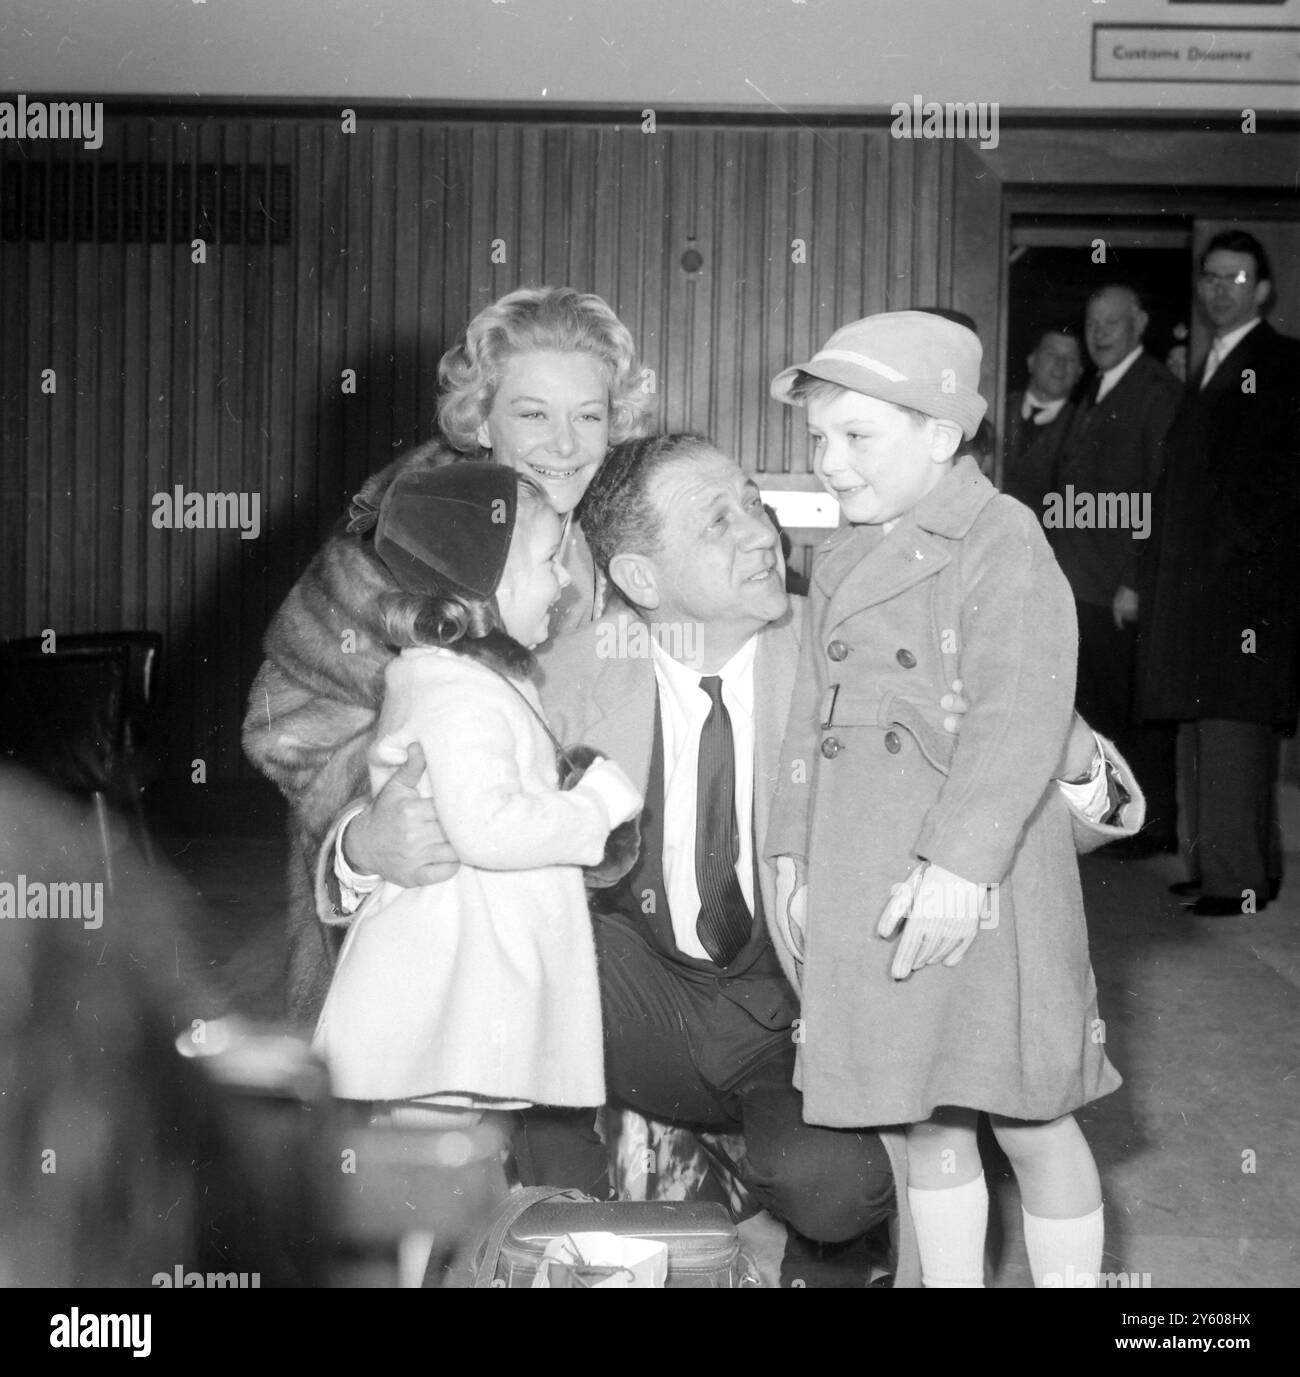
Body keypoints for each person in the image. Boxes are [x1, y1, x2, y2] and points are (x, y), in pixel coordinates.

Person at [335, 428, 1144, 1286]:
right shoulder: (554, 672)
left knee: (840, 1187)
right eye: (716, 521)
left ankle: (806, 1246)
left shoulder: (856, 643)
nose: (762, 534)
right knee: (512, 969)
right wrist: (363, 844)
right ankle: (557, 1208)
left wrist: (1068, 747)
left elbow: (1038, 810)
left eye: (754, 503)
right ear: (641, 578)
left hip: (786, 1014)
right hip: (624, 993)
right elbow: (432, 777)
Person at [766, 310, 1122, 1289]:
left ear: (941, 433)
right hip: (870, 871)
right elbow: (808, 719)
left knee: (1033, 1116)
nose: (829, 463)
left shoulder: (1001, 537)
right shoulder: (838, 558)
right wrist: (793, 851)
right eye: (818, 440)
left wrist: (961, 867)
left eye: (856, 437)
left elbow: (1020, 714)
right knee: (925, 1112)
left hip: (989, 881)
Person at [243, 287, 650, 1023]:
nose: (565, 444)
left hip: (604, 944)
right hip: (432, 942)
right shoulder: (400, 544)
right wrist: (362, 837)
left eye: (588, 416)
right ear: (478, 416)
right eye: (532, 413)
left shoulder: (637, 529)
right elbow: (287, 727)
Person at [311, 463, 641, 1118]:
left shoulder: (468, 678)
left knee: (452, 1151)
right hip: (451, 973)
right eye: (550, 560)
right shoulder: (457, 692)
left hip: (477, 965)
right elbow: (488, 825)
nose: (566, 578)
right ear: (482, 584)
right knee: (432, 1147)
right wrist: (594, 807)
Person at [1138, 230, 1300, 917]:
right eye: (1210, 278)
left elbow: (1281, 477)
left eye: (1235, 279)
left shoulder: (1280, 361)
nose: (1219, 289)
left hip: (1243, 589)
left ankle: (1234, 884)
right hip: (1205, 584)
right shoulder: (1214, 363)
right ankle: (1232, 870)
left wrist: (1227, 551)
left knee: (1233, 727)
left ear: (1263, 290)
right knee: (1207, 725)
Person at [1051, 284, 1182, 855]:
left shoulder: (1156, 391)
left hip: (1117, 588)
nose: (1099, 333)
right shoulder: (1098, 388)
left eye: (1112, 322)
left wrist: (1136, 577)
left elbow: (1162, 490)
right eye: (1092, 323)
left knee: (1131, 713)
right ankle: (1113, 826)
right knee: (1100, 708)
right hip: (1085, 583)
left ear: (1140, 323)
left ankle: (1145, 832)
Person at [1002, 326, 1084, 519]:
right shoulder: (997, 406)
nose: (1060, 364)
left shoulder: (1084, 425)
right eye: (1051, 354)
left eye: (1070, 358)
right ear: (1031, 361)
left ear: (1080, 371)